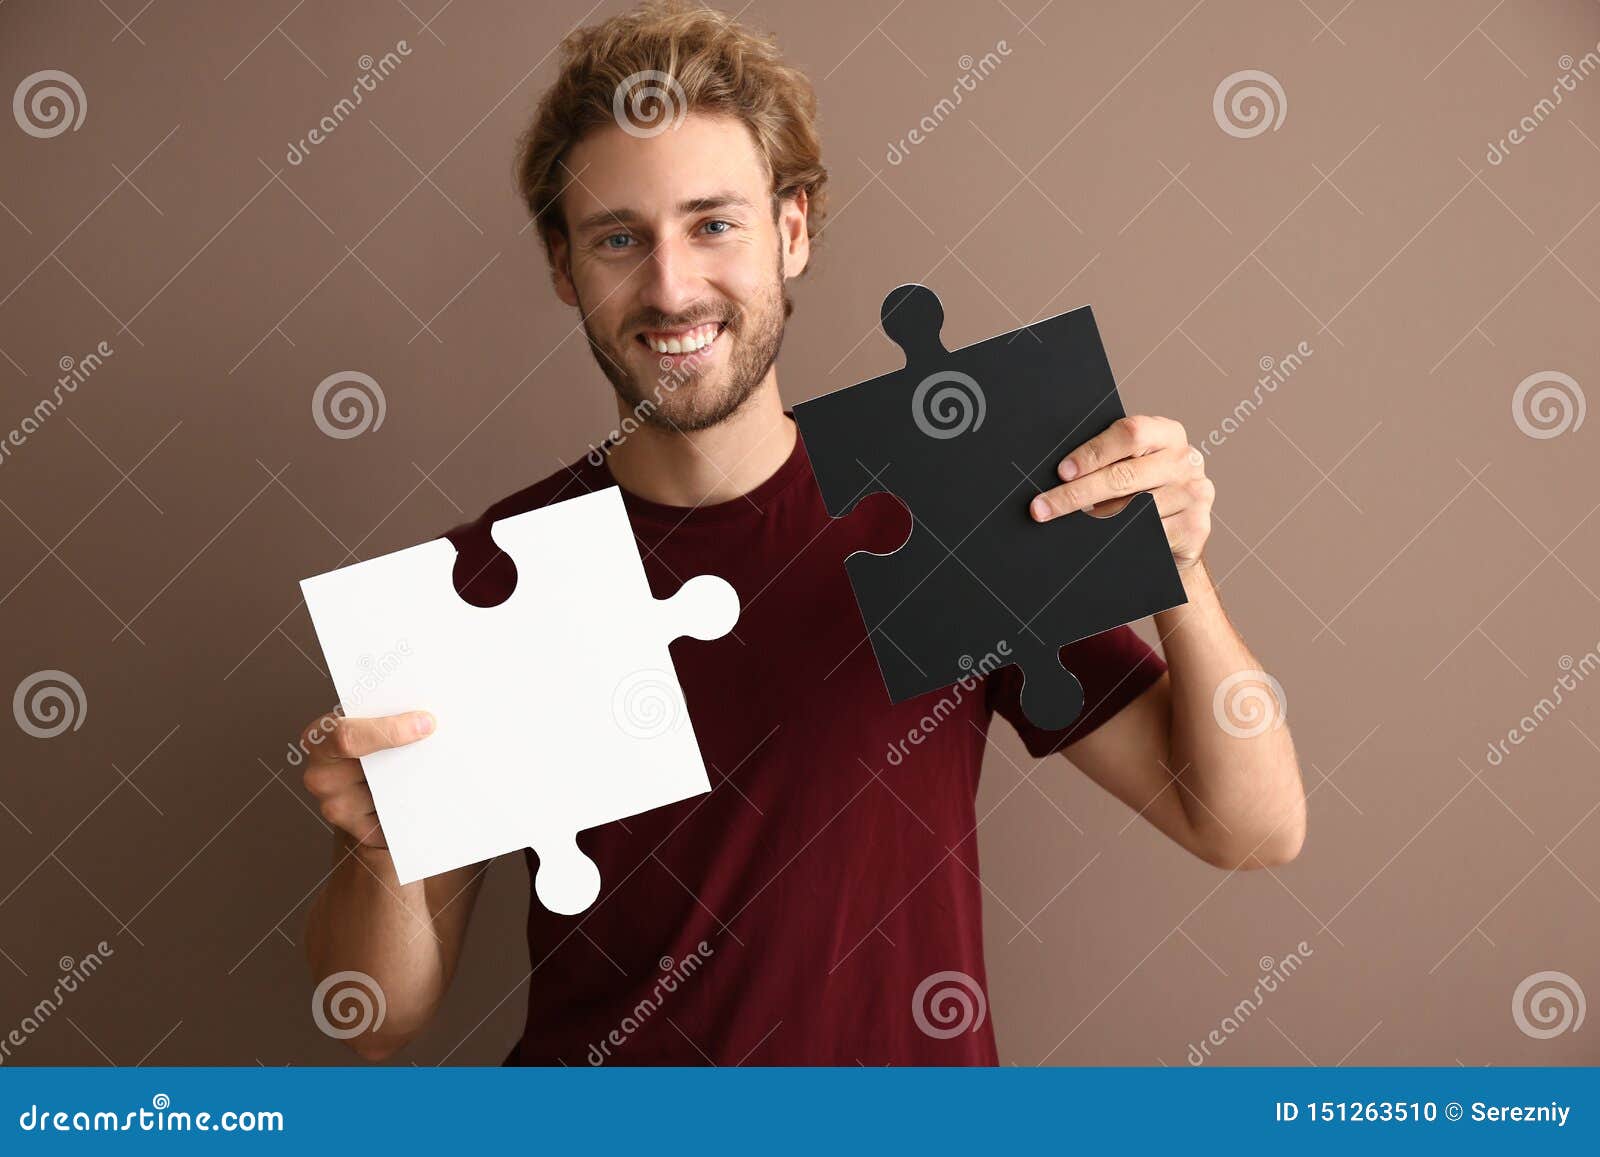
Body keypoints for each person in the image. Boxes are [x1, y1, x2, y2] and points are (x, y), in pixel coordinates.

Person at [299, 0, 1305, 1066]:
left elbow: (1249, 826)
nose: (673, 285)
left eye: (712, 222)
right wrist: (373, 843)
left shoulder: (947, 500)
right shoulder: (489, 575)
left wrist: (1174, 567)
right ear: (564, 267)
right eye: (617, 239)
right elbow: (379, 1013)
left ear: (792, 229)